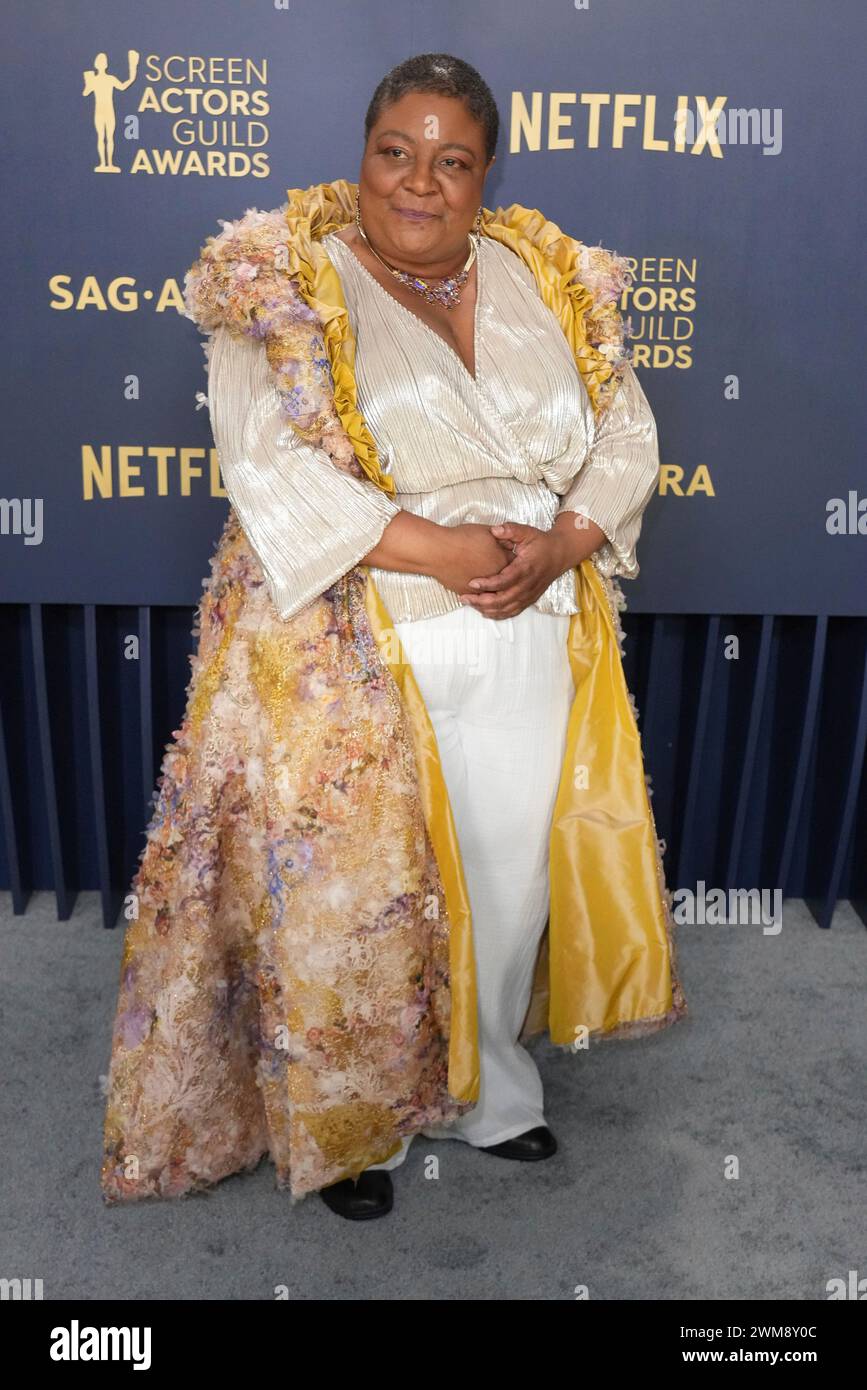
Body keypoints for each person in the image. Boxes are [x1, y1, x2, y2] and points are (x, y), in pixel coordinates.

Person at [100, 52, 687, 1223]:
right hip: (357, 635)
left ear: (486, 178)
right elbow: (270, 472)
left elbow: (623, 427)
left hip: (537, 622)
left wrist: (566, 542)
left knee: (508, 883)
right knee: (355, 902)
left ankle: (487, 1095)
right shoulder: (279, 279)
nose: (420, 181)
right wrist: (453, 551)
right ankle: (351, 1123)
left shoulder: (546, 274)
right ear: (363, 154)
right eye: (396, 152)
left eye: (452, 160)